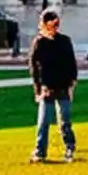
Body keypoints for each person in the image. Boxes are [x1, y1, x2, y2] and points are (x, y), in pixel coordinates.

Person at [27, 10, 78, 163]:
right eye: (51, 24)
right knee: (43, 122)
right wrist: (38, 89)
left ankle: (69, 147)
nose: (54, 28)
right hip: (47, 88)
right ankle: (40, 152)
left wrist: (72, 85)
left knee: (65, 122)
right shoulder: (39, 43)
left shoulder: (64, 41)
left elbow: (71, 64)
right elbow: (34, 68)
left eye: (56, 24)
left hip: (63, 86)